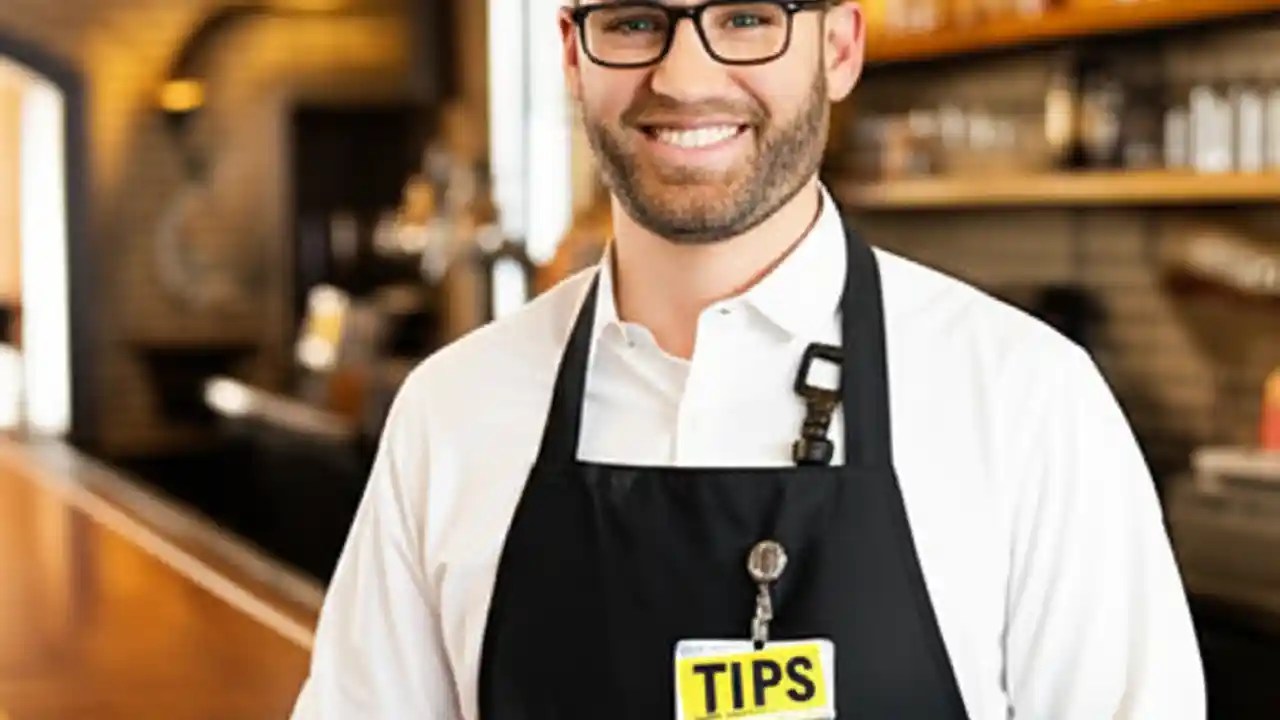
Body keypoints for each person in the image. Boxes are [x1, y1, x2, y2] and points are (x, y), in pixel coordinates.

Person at [290, 1, 1205, 718]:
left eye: (745, 17)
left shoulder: (1026, 402)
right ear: (572, 54)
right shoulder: (452, 412)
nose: (684, 76)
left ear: (838, 48)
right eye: (634, 21)